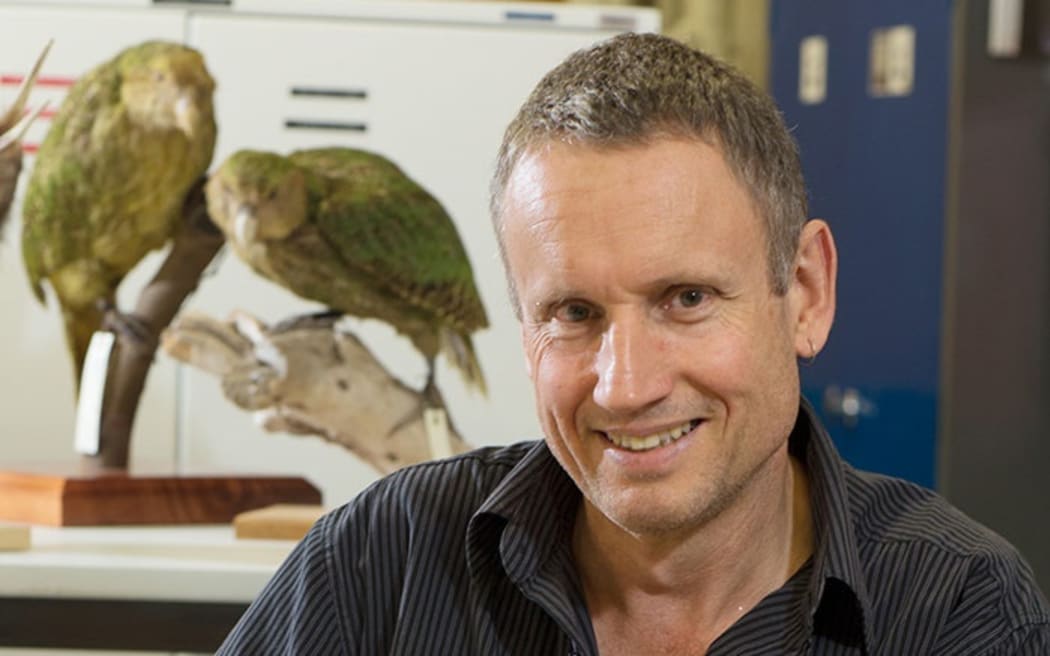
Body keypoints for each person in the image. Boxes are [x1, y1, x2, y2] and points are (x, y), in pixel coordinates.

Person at [217, 33, 1049, 655]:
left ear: (805, 293)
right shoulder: (380, 565)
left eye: (686, 299)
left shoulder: (956, 608)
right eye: (574, 313)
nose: (624, 386)